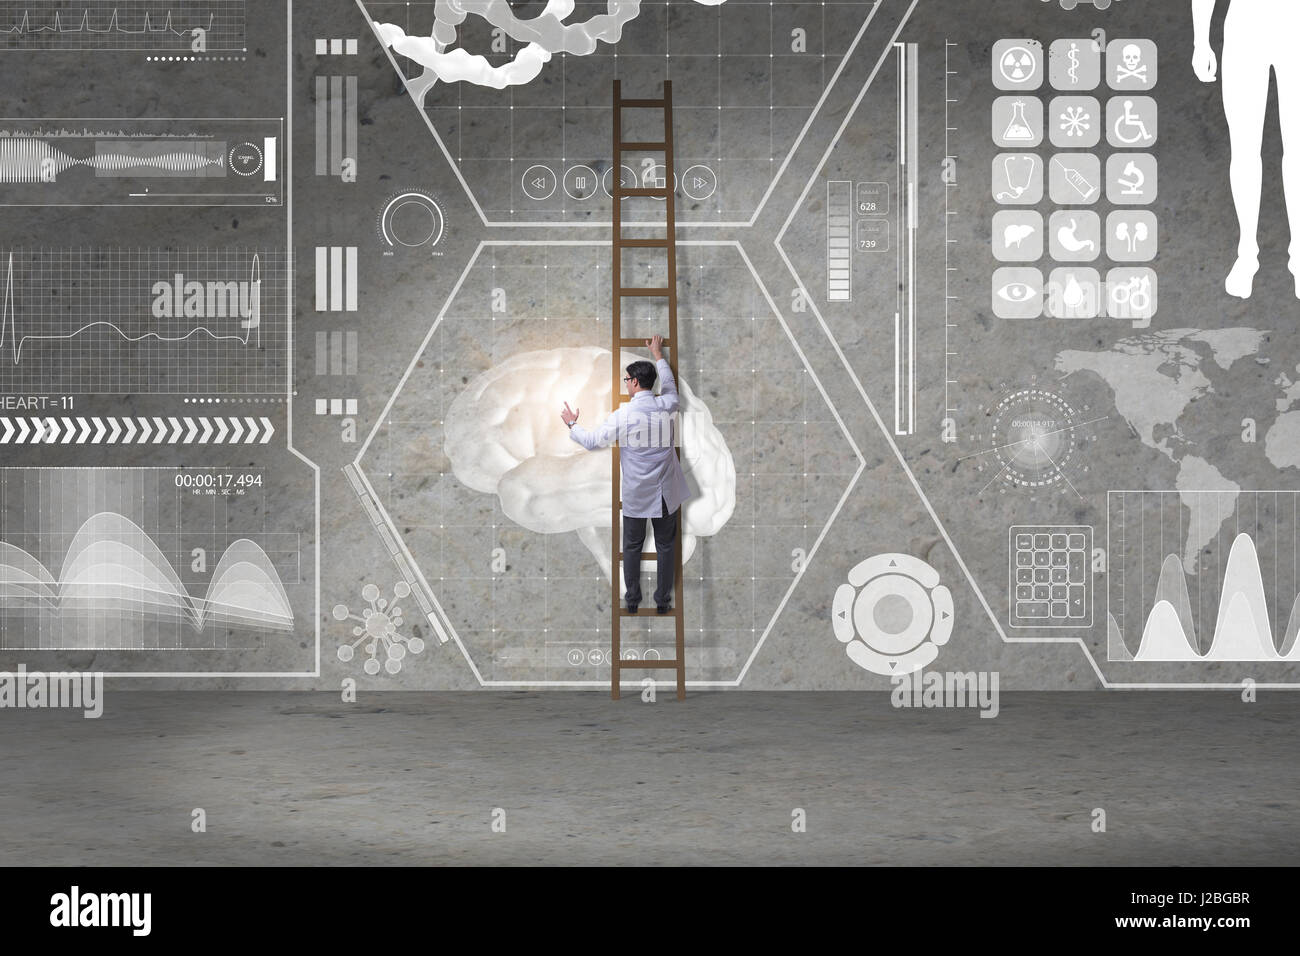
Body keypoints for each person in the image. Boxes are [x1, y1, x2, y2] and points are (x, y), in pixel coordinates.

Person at [560, 334, 690, 614]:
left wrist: (573, 424)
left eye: (626, 380)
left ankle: (632, 599)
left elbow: (593, 441)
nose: (626, 384)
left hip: (637, 495)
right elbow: (668, 384)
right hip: (666, 493)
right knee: (667, 547)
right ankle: (663, 601)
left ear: (633, 382)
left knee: (632, 547)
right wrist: (657, 354)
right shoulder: (668, 405)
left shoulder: (624, 415)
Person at [1193, 0, 1300, 298]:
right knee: (1243, 148)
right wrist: (1200, 40)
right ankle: (1247, 253)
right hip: (1246, 24)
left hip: (1295, 23)